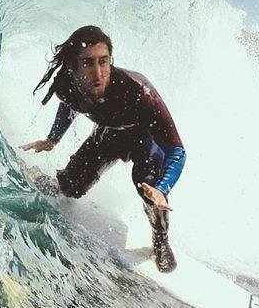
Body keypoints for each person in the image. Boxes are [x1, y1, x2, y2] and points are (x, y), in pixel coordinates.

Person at [20, 25, 186, 273]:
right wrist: (53, 139)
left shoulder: (140, 92)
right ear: (74, 66)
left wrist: (163, 189)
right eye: (87, 63)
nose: (98, 73)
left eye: (103, 62)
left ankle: (160, 239)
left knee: (149, 189)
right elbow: (70, 105)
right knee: (70, 187)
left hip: (145, 141)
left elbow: (177, 149)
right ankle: (56, 183)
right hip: (108, 136)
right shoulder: (67, 84)